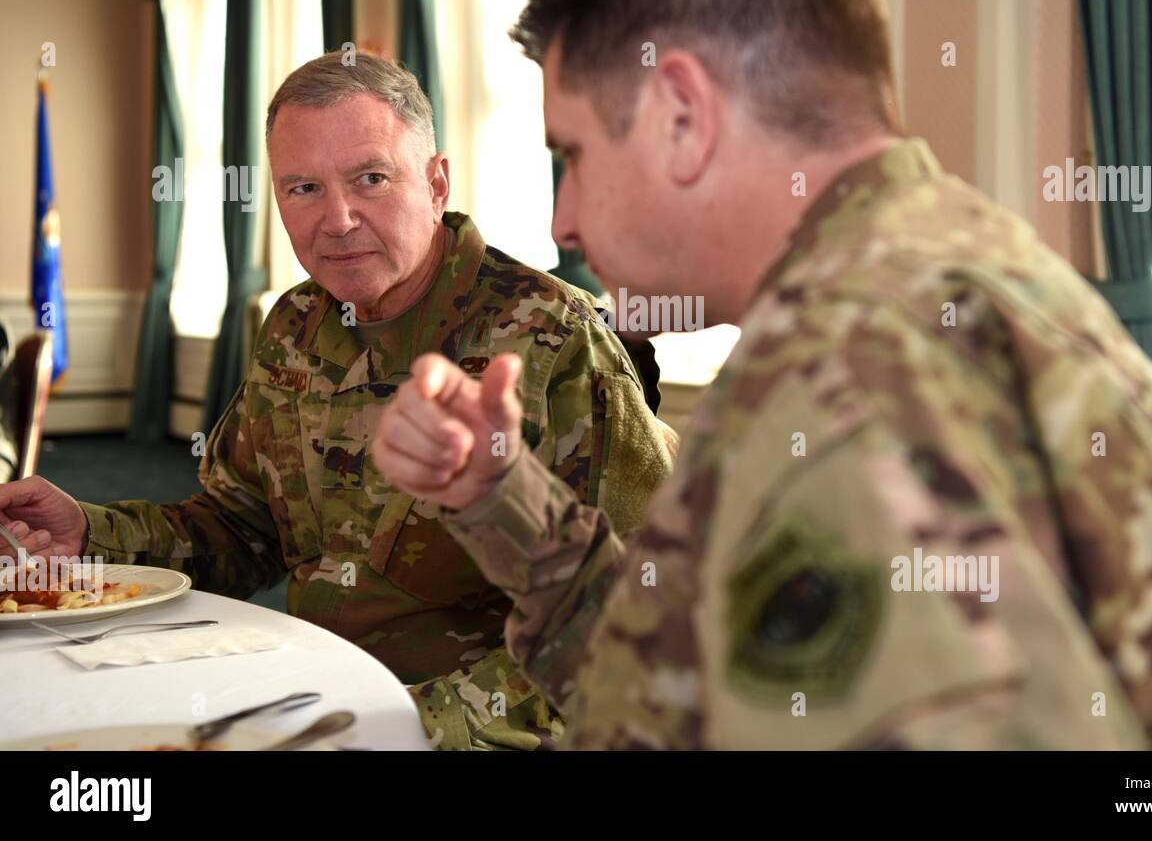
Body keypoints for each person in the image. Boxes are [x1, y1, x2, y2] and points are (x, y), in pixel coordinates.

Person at [373, 0, 1152, 749]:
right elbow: (677, 672)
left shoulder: (849, 373)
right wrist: (498, 491)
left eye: (572, 154)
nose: (561, 220)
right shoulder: (922, 265)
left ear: (682, 116)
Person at [0, 52, 674, 750]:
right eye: (302, 188)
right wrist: (91, 532)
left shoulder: (554, 341)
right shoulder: (295, 324)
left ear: (436, 182)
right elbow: (243, 526)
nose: (338, 219)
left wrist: (397, 725)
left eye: (370, 179)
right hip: (312, 691)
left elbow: (637, 625)